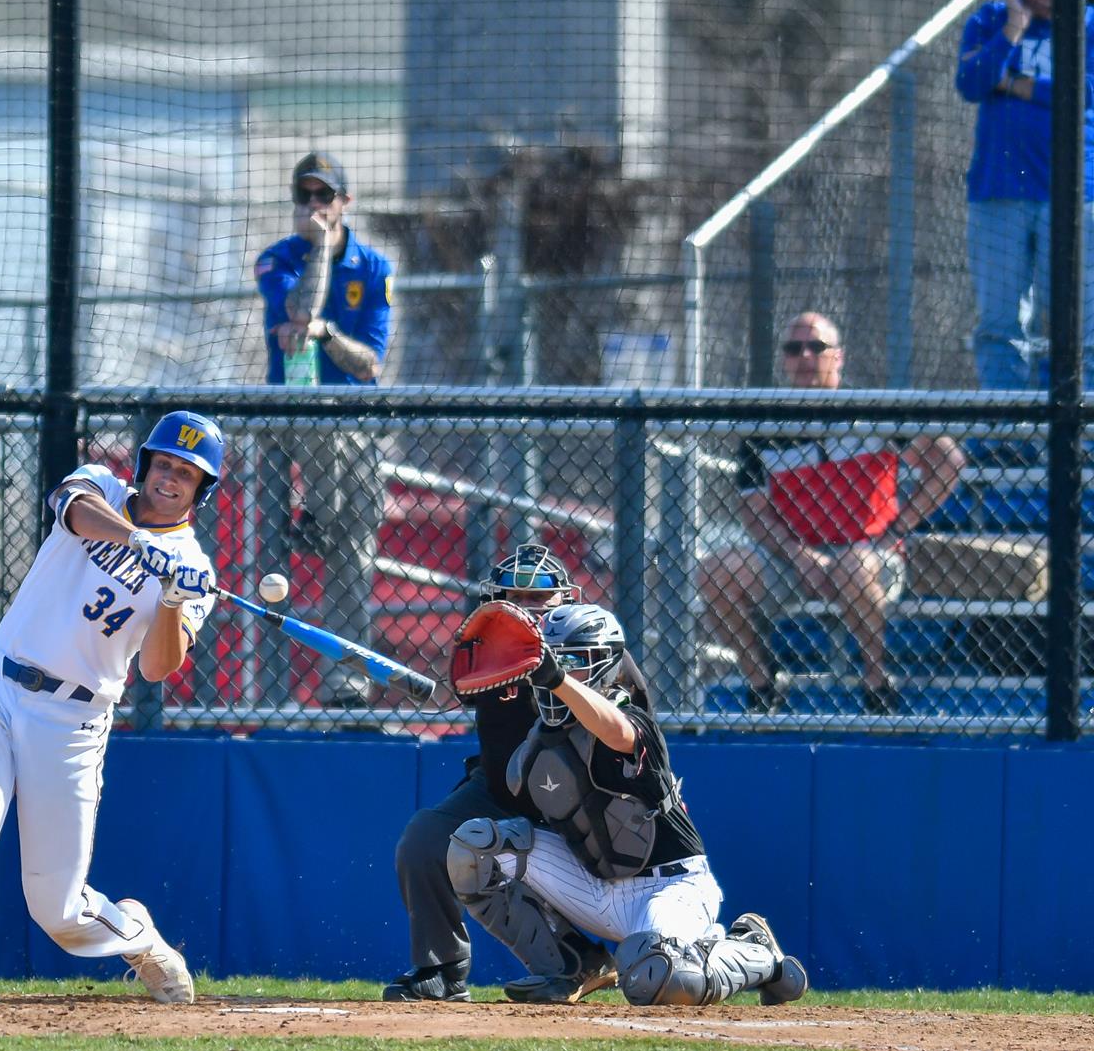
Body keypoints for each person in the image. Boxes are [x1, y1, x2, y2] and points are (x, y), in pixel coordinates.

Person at [0, 411, 224, 1008]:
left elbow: (157, 668)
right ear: (145, 465)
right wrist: (137, 540)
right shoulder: (102, 489)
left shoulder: (196, 571)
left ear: (200, 490)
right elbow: (70, 507)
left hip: (72, 721)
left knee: (57, 907)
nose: (170, 478)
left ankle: (139, 938)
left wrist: (172, 597)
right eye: (164, 464)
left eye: (186, 473)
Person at [446, 603, 809, 1008]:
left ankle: (756, 952)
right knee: (474, 849)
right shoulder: (535, 744)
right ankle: (571, 966)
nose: (557, 670)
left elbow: (616, 731)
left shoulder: (634, 719)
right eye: (551, 659)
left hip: (671, 886)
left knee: (661, 979)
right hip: (594, 884)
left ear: (606, 665)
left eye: (573, 661)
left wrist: (557, 678)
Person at [384, 545, 648, 1003]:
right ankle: (443, 969)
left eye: (539, 598)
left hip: (589, 796)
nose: (528, 608)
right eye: (515, 597)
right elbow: (461, 691)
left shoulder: (596, 644)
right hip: (503, 789)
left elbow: (638, 730)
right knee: (425, 839)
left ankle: (583, 959)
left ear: (565, 599)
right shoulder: (487, 647)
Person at [698, 313, 965, 717]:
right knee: (715, 572)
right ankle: (763, 682)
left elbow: (948, 460)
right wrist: (799, 555)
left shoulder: (872, 411)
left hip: (871, 555)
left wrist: (897, 528)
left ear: (838, 356)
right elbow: (754, 514)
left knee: (853, 568)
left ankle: (876, 681)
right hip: (793, 559)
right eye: (794, 349)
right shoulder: (764, 427)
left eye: (816, 347)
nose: (805, 356)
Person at [254, 152, 395, 707]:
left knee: (353, 547)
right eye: (305, 196)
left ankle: (346, 686)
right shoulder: (278, 258)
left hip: (353, 428)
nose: (314, 205)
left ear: (344, 202)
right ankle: (320, 513)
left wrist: (325, 334)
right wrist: (317, 252)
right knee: (318, 422)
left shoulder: (374, 267)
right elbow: (296, 312)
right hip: (288, 421)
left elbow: (370, 363)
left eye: (325, 196)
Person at [954, 0, 1094, 388]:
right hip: (999, 192)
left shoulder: (1088, 26)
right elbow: (971, 83)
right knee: (1000, 324)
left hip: (1076, 196)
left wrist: (1011, 82)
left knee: (1082, 326)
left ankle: (1080, 423)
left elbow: (1083, 92)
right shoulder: (991, 20)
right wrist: (1013, 29)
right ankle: (1006, 425)